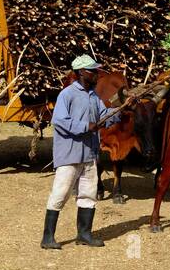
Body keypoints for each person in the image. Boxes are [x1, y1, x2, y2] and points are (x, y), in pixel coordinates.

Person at [41, 55, 119, 249]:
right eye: (93, 71)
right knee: (60, 194)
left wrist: (120, 110)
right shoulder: (67, 95)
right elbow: (59, 121)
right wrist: (86, 126)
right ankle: (47, 238)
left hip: (90, 154)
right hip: (70, 154)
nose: (97, 74)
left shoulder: (94, 96)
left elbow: (104, 118)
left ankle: (84, 234)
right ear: (83, 72)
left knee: (88, 195)